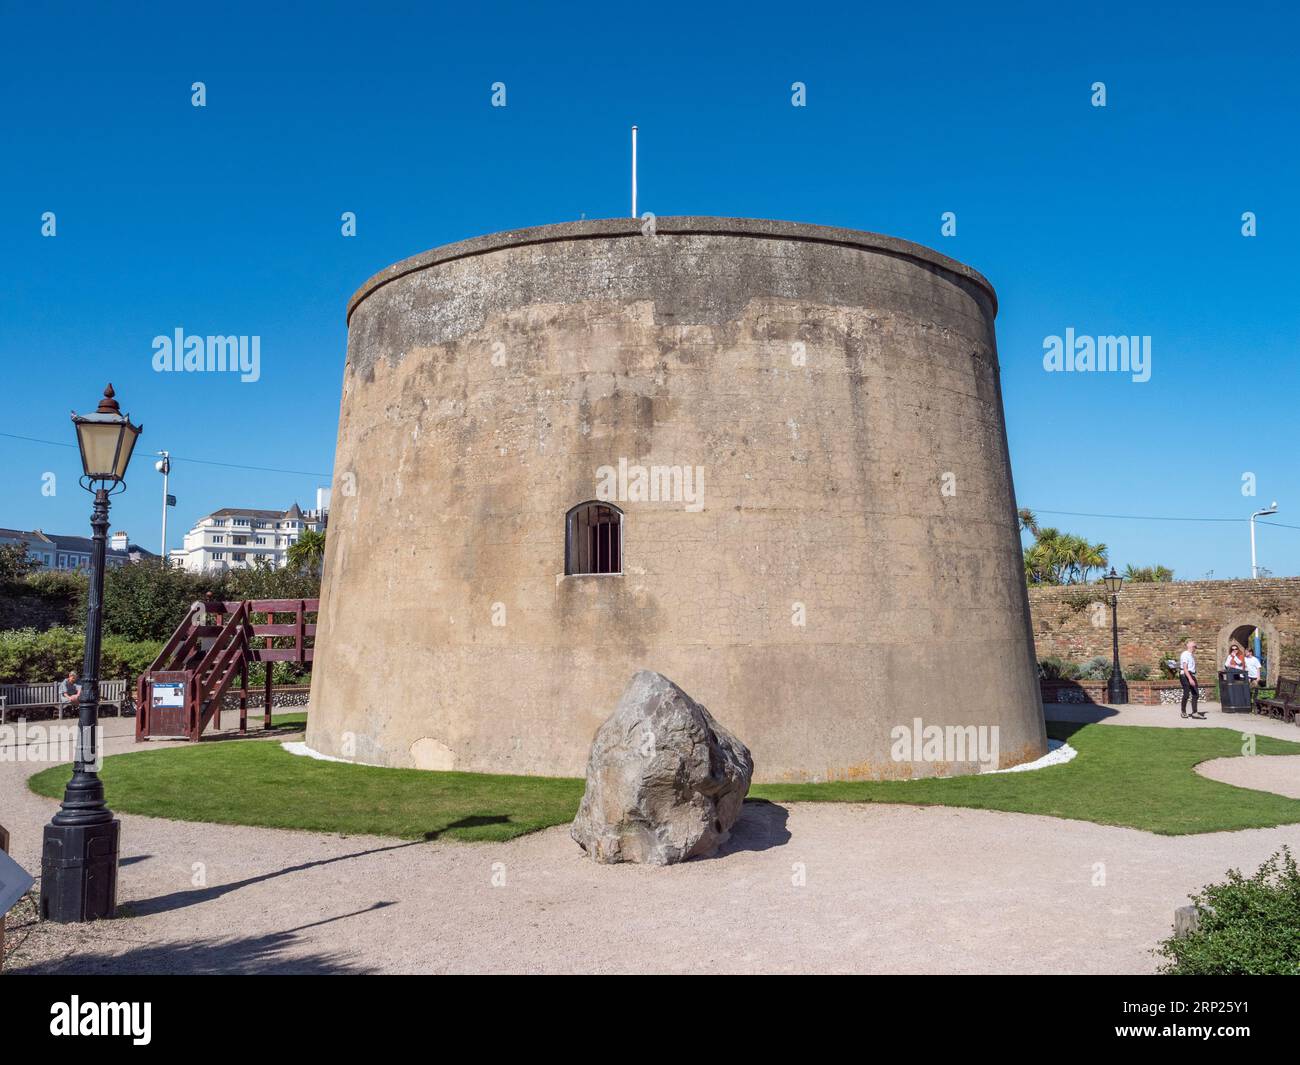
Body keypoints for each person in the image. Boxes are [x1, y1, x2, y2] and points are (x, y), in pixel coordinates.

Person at [1179, 640, 1204, 719]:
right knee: (1186, 694)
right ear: (1189, 646)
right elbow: (1185, 668)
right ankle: (1183, 712)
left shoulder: (1191, 655)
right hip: (1185, 675)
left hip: (1191, 674)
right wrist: (1190, 679)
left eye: (1195, 647)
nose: (1195, 648)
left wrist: (1192, 677)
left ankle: (1194, 712)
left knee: (1195, 694)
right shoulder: (1185, 654)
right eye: (1194, 646)